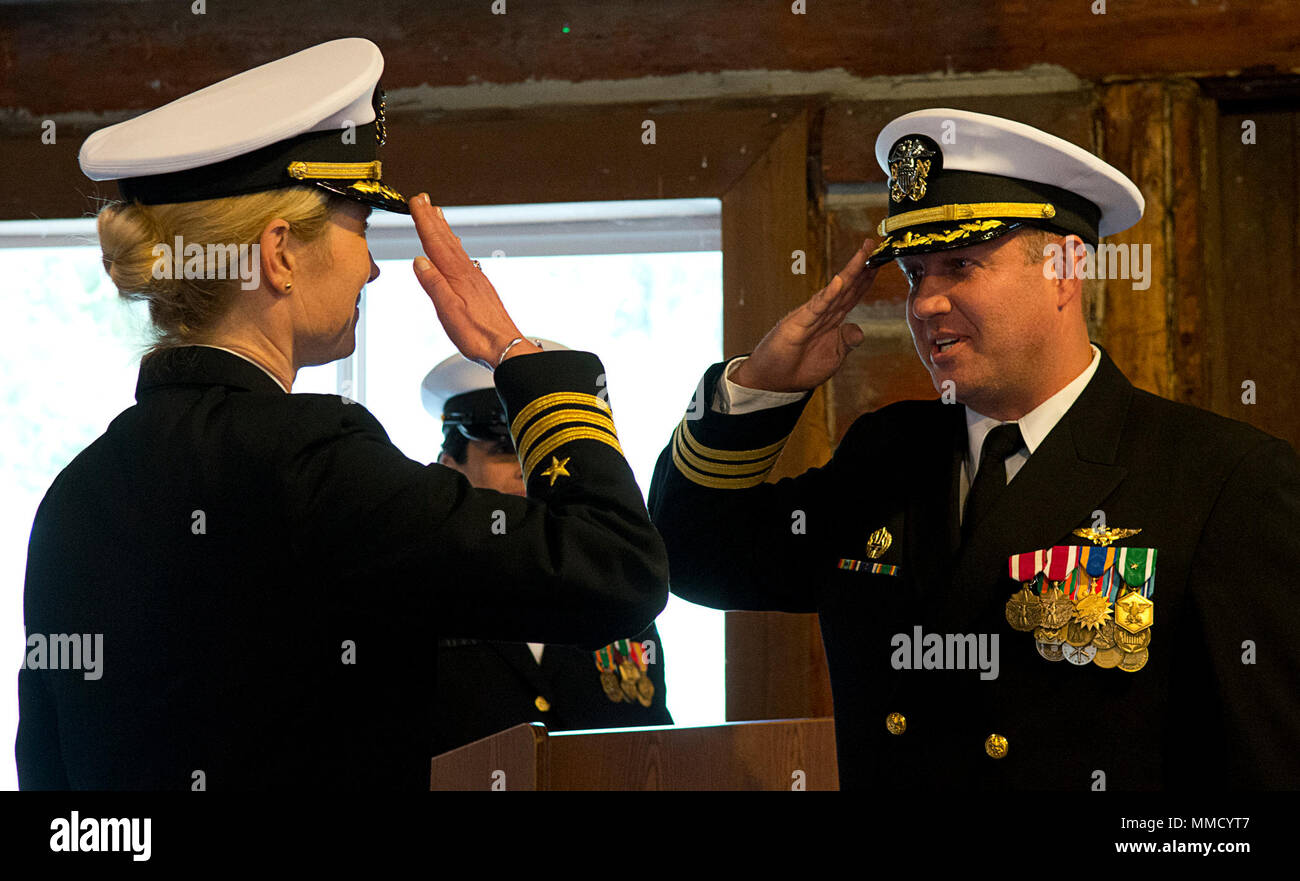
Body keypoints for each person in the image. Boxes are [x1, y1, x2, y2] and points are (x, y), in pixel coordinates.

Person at [16, 38, 667, 791]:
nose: (371, 264)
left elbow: (50, 776)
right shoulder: (312, 457)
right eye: (359, 223)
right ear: (281, 252)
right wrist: (516, 354)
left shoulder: (76, 494)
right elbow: (618, 569)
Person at [648, 108, 1300, 790]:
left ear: (1064, 270)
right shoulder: (888, 454)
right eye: (913, 275)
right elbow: (688, 553)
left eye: (959, 265)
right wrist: (756, 389)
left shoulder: (1217, 477)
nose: (926, 303)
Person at [421, 348, 672, 753]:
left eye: (543, 454)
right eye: (506, 448)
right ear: (451, 467)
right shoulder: (418, 591)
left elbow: (654, 744)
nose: (528, 467)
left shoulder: (612, 584)